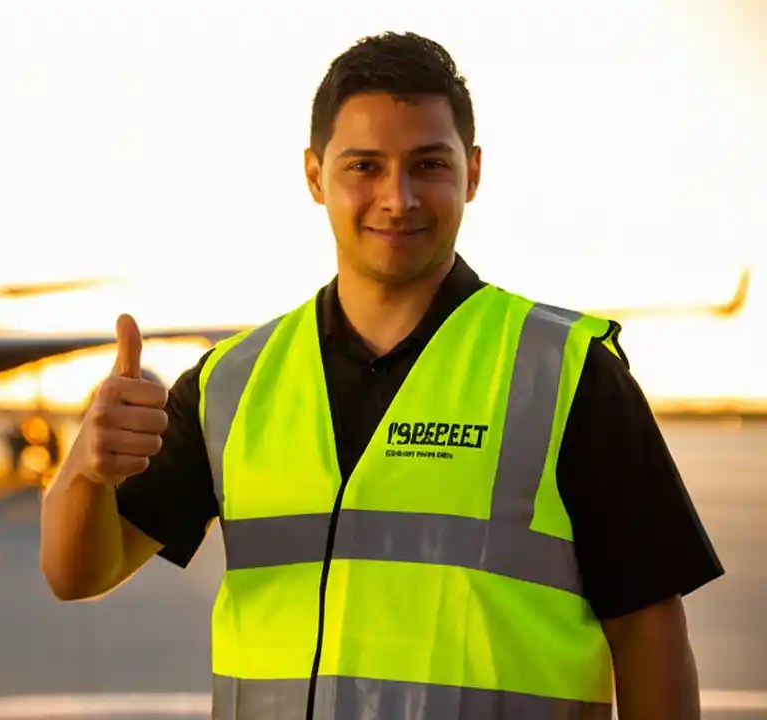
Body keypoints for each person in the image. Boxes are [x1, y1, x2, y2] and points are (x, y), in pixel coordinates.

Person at [39, 31, 723, 720]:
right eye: (364, 166)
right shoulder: (230, 385)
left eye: (428, 164)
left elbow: (649, 631)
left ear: (473, 172)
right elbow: (77, 574)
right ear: (315, 175)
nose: (398, 199)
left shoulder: (567, 372)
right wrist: (85, 472)